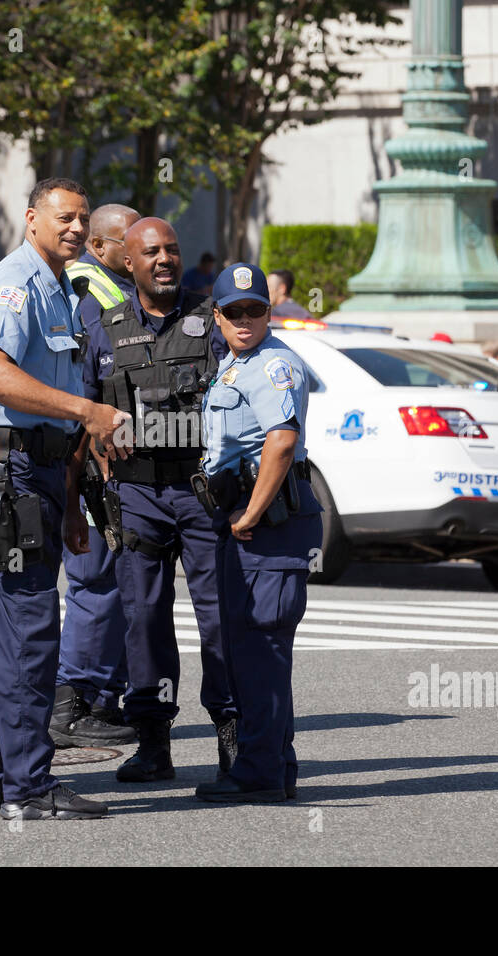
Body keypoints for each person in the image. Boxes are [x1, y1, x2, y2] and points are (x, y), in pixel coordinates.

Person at [0, 176, 129, 821]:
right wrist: (88, 409)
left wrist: (75, 503)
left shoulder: (59, 286)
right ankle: (28, 788)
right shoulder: (13, 285)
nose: (77, 229)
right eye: (64, 218)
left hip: (35, 473)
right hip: (9, 472)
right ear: (32, 219)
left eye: (83, 219)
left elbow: (49, 408)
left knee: (0, 629)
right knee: (27, 631)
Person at [77, 215, 238, 784]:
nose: (165, 259)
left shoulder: (212, 321)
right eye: (152, 252)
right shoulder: (105, 328)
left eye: (172, 249)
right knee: (143, 618)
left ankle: (232, 738)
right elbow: (85, 410)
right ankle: (152, 743)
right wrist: (97, 468)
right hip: (137, 493)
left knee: (219, 615)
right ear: (129, 262)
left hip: (200, 491)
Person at [195, 263, 322, 803]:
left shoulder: (273, 366)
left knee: (262, 651)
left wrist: (248, 514)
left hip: (265, 526)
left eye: (256, 309)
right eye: (234, 311)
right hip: (245, 524)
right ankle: (268, 764)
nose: (245, 320)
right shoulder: (234, 364)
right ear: (217, 316)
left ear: (270, 312)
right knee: (247, 651)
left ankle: (262, 772)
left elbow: (282, 442)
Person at [50, 203, 141, 749]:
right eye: (126, 240)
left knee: (113, 583)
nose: (139, 249)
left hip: (105, 456)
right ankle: (71, 701)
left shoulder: (104, 290)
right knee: (95, 581)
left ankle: (102, 697)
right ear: (101, 249)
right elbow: (89, 392)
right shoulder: (88, 295)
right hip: (87, 460)